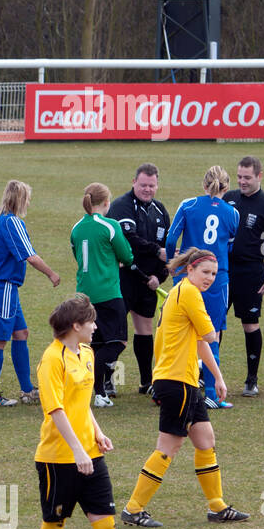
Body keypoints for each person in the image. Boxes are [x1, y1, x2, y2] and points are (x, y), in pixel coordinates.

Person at [32, 294, 160, 529]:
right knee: (54, 524)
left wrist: (97, 433)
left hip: (90, 454)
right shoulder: (52, 359)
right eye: (90, 321)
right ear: (75, 325)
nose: (95, 325)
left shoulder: (88, 353)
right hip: (58, 459)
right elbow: (56, 410)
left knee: (104, 522)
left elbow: (82, 402)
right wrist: (77, 450)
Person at [120, 248, 251, 527]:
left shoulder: (180, 291)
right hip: (176, 382)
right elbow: (209, 334)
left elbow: (200, 342)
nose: (210, 278)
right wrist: (210, 319)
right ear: (190, 269)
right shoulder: (190, 293)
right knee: (169, 446)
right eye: (205, 272)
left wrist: (218, 376)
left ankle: (217, 507)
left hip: (187, 382)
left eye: (215, 274)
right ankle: (133, 509)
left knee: (205, 441)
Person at [0, 180, 60, 406]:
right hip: (1, 286)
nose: (29, 202)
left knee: (21, 333)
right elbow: (30, 256)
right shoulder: (12, 222)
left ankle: (27, 390)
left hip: (1, 285)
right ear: (21, 199)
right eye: (28, 198)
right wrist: (51, 274)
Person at [166, 166, 239, 408]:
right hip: (217, 279)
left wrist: (173, 262)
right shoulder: (232, 213)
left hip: (187, 275)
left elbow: (170, 239)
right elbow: (229, 246)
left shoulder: (188, 205)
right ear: (226, 188)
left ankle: (167, 388)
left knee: (179, 331)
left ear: (203, 185)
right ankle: (211, 393)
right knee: (212, 335)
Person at [224, 157, 264, 397]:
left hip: (251, 272)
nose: (242, 182)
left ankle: (251, 379)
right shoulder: (229, 198)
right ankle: (209, 377)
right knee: (215, 323)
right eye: (239, 177)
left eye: (247, 177)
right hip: (222, 272)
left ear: (259, 176)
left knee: (250, 324)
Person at [107, 163, 170, 397]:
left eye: (151, 185)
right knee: (114, 331)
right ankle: (105, 380)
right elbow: (128, 240)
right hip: (123, 278)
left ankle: (146, 381)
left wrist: (159, 277)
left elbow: (169, 248)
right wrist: (155, 252)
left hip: (148, 282)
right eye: (143, 184)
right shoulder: (122, 206)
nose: (147, 189)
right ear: (133, 182)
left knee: (144, 329)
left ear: (157, 185)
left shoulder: (160, 210)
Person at [70, 183, 132, 408]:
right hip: (108, 292)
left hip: (84, 294)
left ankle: (98, 393)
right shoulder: (110, 225)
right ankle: (95, 386)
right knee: (118, 341)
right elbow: (127, 255)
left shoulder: (76, 228)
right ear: (106, 203)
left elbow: (77, 255)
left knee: (93, 344)